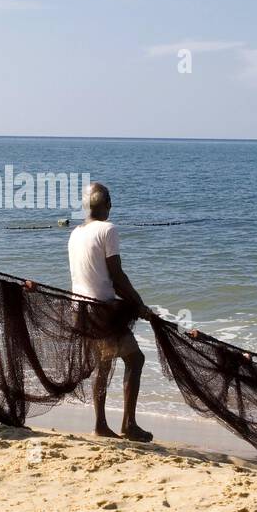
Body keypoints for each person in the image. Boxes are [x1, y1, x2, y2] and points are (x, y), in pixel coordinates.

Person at [68, 182, 154, 442]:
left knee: (103, 367)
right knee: (135, 360)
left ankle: (101, 425)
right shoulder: (108, 229)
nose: (112, 207)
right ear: (104, 205)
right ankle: (129, 424)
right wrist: (140, 304)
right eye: (110, 202)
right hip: (102, 310)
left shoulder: (75, 233)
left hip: (80, 309)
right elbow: (116, 277)